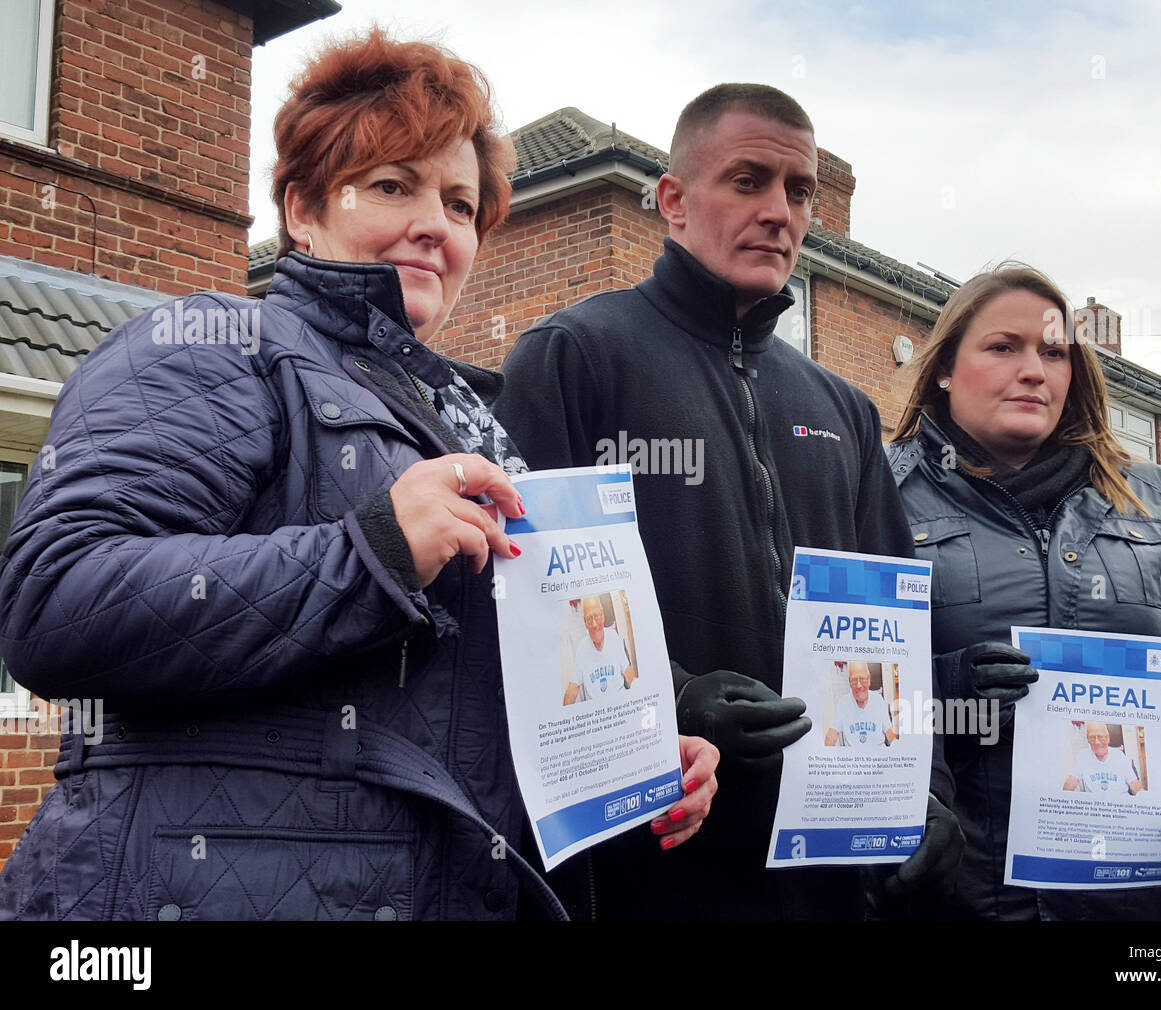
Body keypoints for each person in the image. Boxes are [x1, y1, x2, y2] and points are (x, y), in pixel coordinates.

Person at [0, 30, 717, 922]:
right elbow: (55, 600)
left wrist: (635, 741)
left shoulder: (473, 424)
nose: (434, 223)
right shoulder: (220, 343)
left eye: (460, 205)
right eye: (392, 186)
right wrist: (369, 551)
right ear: (302, 209)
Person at [495, 83, 961, 919]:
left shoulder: (844, 408)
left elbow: (895, 628)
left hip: (825, 878)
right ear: (672, 201)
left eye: (800, 189)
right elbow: (519, 596)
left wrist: (922, 787)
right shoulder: (576, 357)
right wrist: (673, 697)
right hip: (650, 861)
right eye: (748, 181)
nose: (780, 211)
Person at [888, 261, 1161, 920]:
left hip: (1131, 898)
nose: (1034, 370)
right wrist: (944, 691)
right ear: (944, 366)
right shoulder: (883, 492)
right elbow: (836, 678)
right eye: (1003, 347)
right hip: (962, 897)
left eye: (1055, 353)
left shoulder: (1155, 498)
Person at [565, 595, 635, 704]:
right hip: (598, 713)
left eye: (596, 616)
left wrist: (638, 693)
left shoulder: (613, 636)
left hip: (620, 704)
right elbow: (572, 690)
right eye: (589, 619)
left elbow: (627, 670)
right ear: (585, 623)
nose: (594, 624)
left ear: (603, 616)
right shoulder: (581, 649)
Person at [826, 662, 896, 748]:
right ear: (849, 682)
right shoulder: (843, 703)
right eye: (854, 680)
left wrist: (898, 748)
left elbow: (889, 732)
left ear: (869, 679)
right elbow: (832, 734)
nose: (859, 685)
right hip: (854, 759)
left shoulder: (878, 700)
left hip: (878, 756)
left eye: (863, 679)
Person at [1065, 723, 1144, 795]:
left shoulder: (1120, 756)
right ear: (1088, 740)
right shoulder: (1082, 756)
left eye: (1100, 737)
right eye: (1092, 737)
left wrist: (1142, 796)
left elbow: (1133, 783)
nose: (1097, 742)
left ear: (1108, 738)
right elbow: (1071, 781)